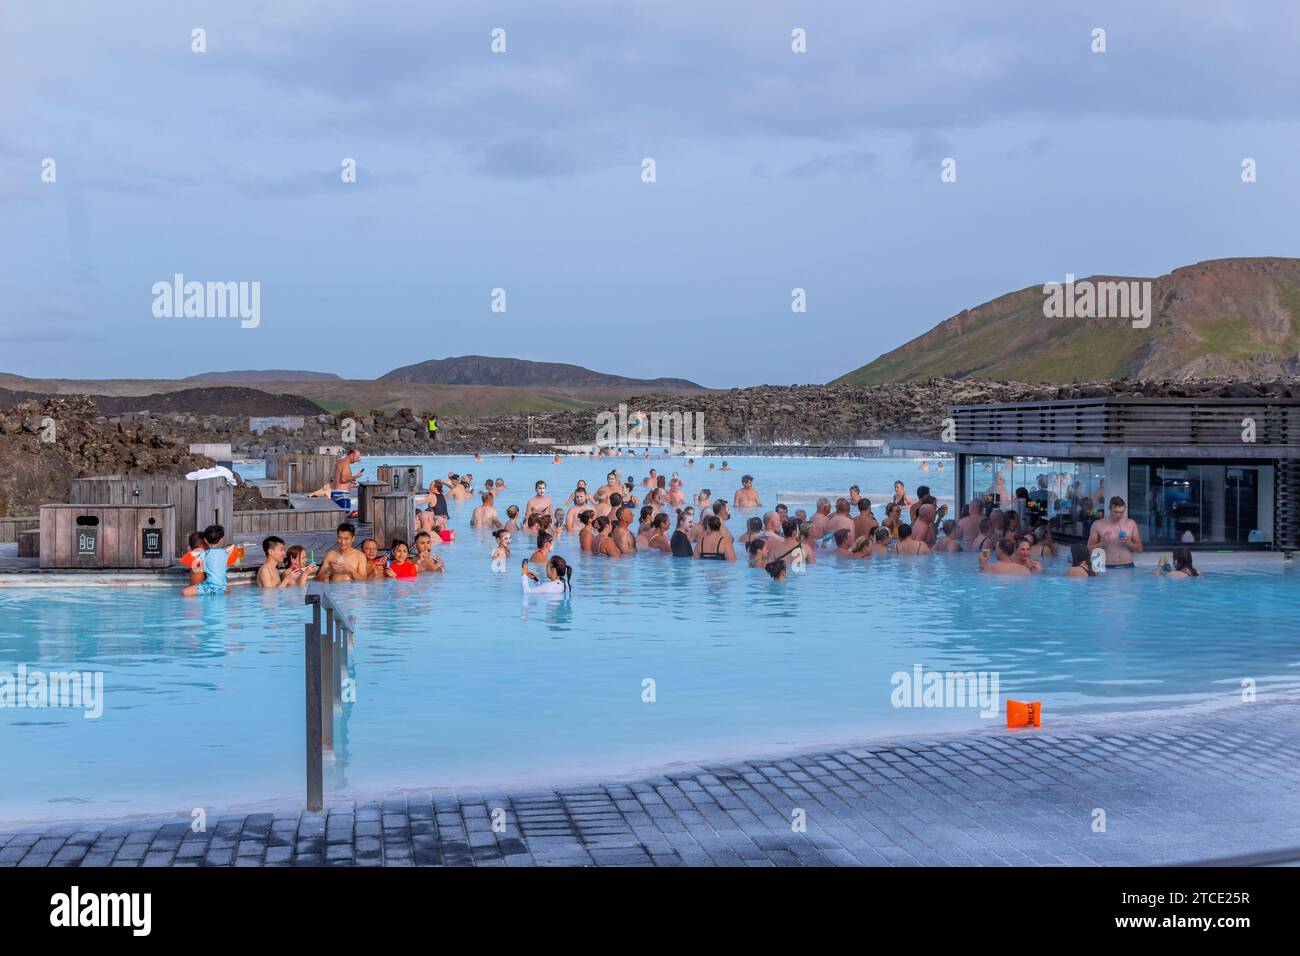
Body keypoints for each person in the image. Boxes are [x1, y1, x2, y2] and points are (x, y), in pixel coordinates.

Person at [1087, 496, 1144, 568]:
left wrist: (1130, 543)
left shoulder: (1131, 524)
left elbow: (1140, 548)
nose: (1119, 515)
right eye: (1116, 512)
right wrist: (1102, 543)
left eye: (1121, 512)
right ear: (1110, 509)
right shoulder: (1098, 524)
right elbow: (1089, 550)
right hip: (1107, 566)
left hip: (1127, 565)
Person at [182, 525, 234, 596]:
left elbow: (188, 559)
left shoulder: (204, 555)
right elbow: (231, 547)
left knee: (185, 592)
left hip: (210, 588)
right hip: (222, 588)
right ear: (221, 540)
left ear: (205, 541)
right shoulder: (224, 553)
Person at [331, 449, 364, 514]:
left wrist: (351, 481)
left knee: (341, 516)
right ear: (351, 455)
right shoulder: (345, 463)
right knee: (344, 516)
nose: (357, 460)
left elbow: (340, 479)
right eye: (357, 458)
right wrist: (357, 476)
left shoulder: (341, 462)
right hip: (341, 494)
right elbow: (344, 479)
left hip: (338, 493)